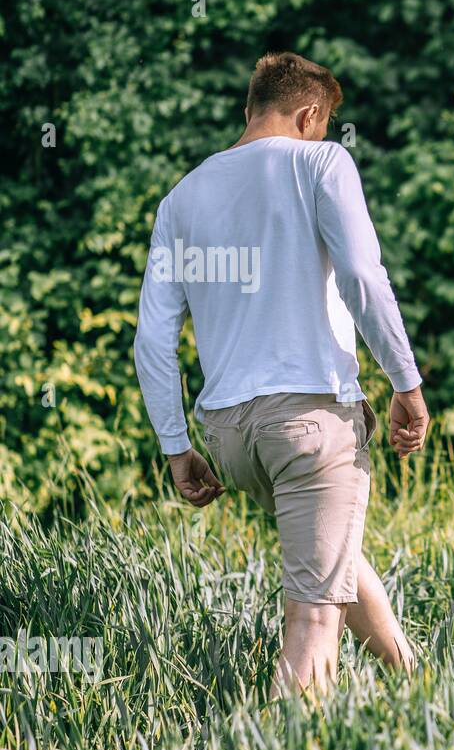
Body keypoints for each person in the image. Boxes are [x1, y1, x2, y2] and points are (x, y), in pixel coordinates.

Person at [134, 52, 428, 698]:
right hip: (311, 418)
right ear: (310, 115)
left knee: (332, 562)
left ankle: (419, 686)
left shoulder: (181, 197)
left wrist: (176, 448)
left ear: (248, 111)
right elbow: (361, 277)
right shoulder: (322, 161)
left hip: (230, 436)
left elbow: (151, 339)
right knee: (313, 616)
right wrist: (406, 385)